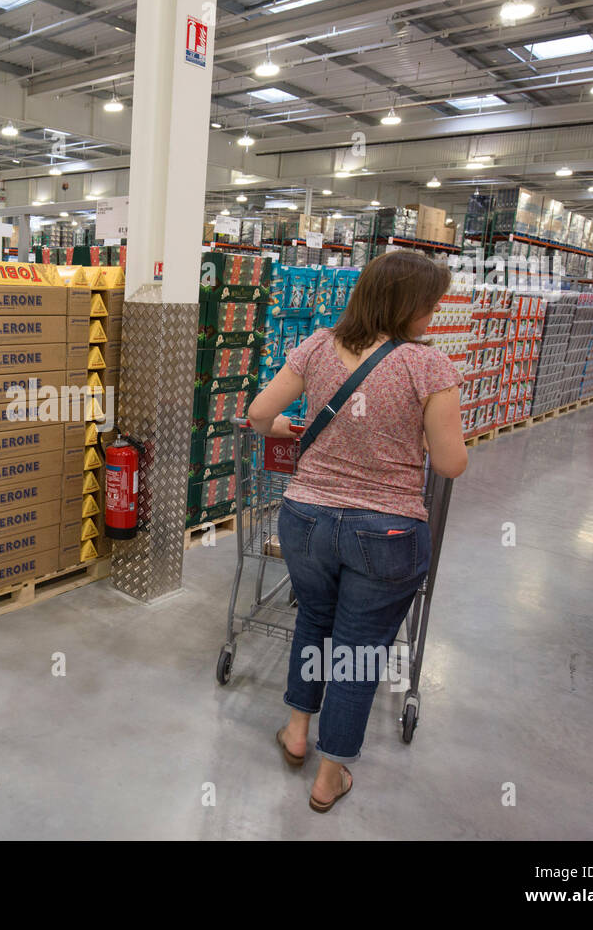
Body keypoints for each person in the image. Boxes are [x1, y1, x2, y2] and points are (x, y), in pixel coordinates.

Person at [246, 251, 468, 814]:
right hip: (385, 532)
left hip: (306, 519)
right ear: (407, 305)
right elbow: (449, 464)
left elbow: (258, 413)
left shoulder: (318, 344)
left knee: (314, 622)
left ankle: (297, 730)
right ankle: (330, 774)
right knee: (358, 652)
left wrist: (289, 427)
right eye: (430, 303)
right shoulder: (428, 367)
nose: (435, 313)